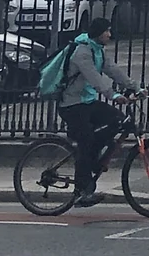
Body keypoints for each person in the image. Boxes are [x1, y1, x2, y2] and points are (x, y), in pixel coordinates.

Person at [57, 17, 140, 207]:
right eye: (107, 31)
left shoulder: (97, 50)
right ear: (98, 33)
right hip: (71, 105)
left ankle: (94, 161)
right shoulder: (82, 52)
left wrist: (136, 87)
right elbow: (95, 79)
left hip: (87, 102)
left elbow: (113, 70)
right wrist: (113, 95)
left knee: (118, 120)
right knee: (86, 142)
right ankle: (81, 192)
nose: (110, 35)